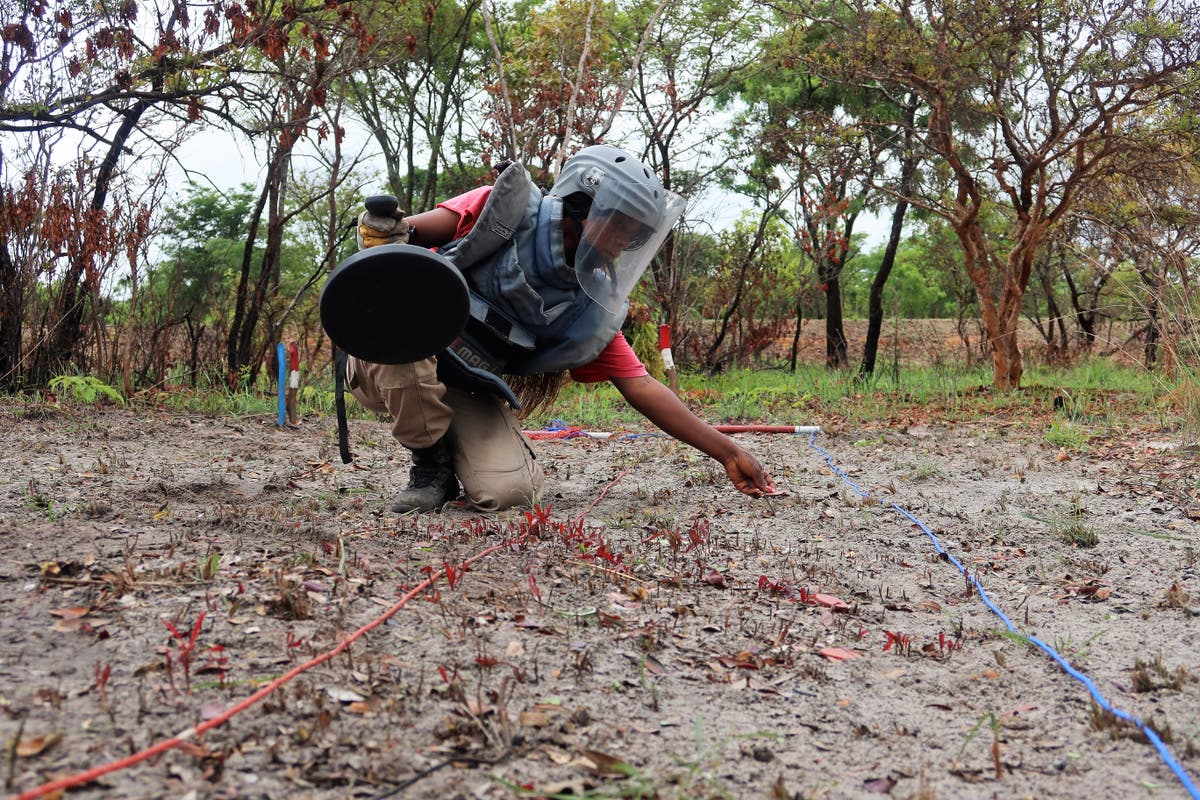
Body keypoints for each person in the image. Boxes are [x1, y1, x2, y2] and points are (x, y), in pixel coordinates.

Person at [344, 145, 774, 513]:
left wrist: (729, 452)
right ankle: (430, 466)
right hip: (391, 350)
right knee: (402, 319)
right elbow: (401, 237)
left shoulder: (587, 304)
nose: (627, 240)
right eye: (622, 223)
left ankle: (456, 444)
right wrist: (384, 231)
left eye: (636, 231)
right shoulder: (501, 210)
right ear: (586, 206)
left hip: (465, 385)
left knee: (507, 492)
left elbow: (642, 387)